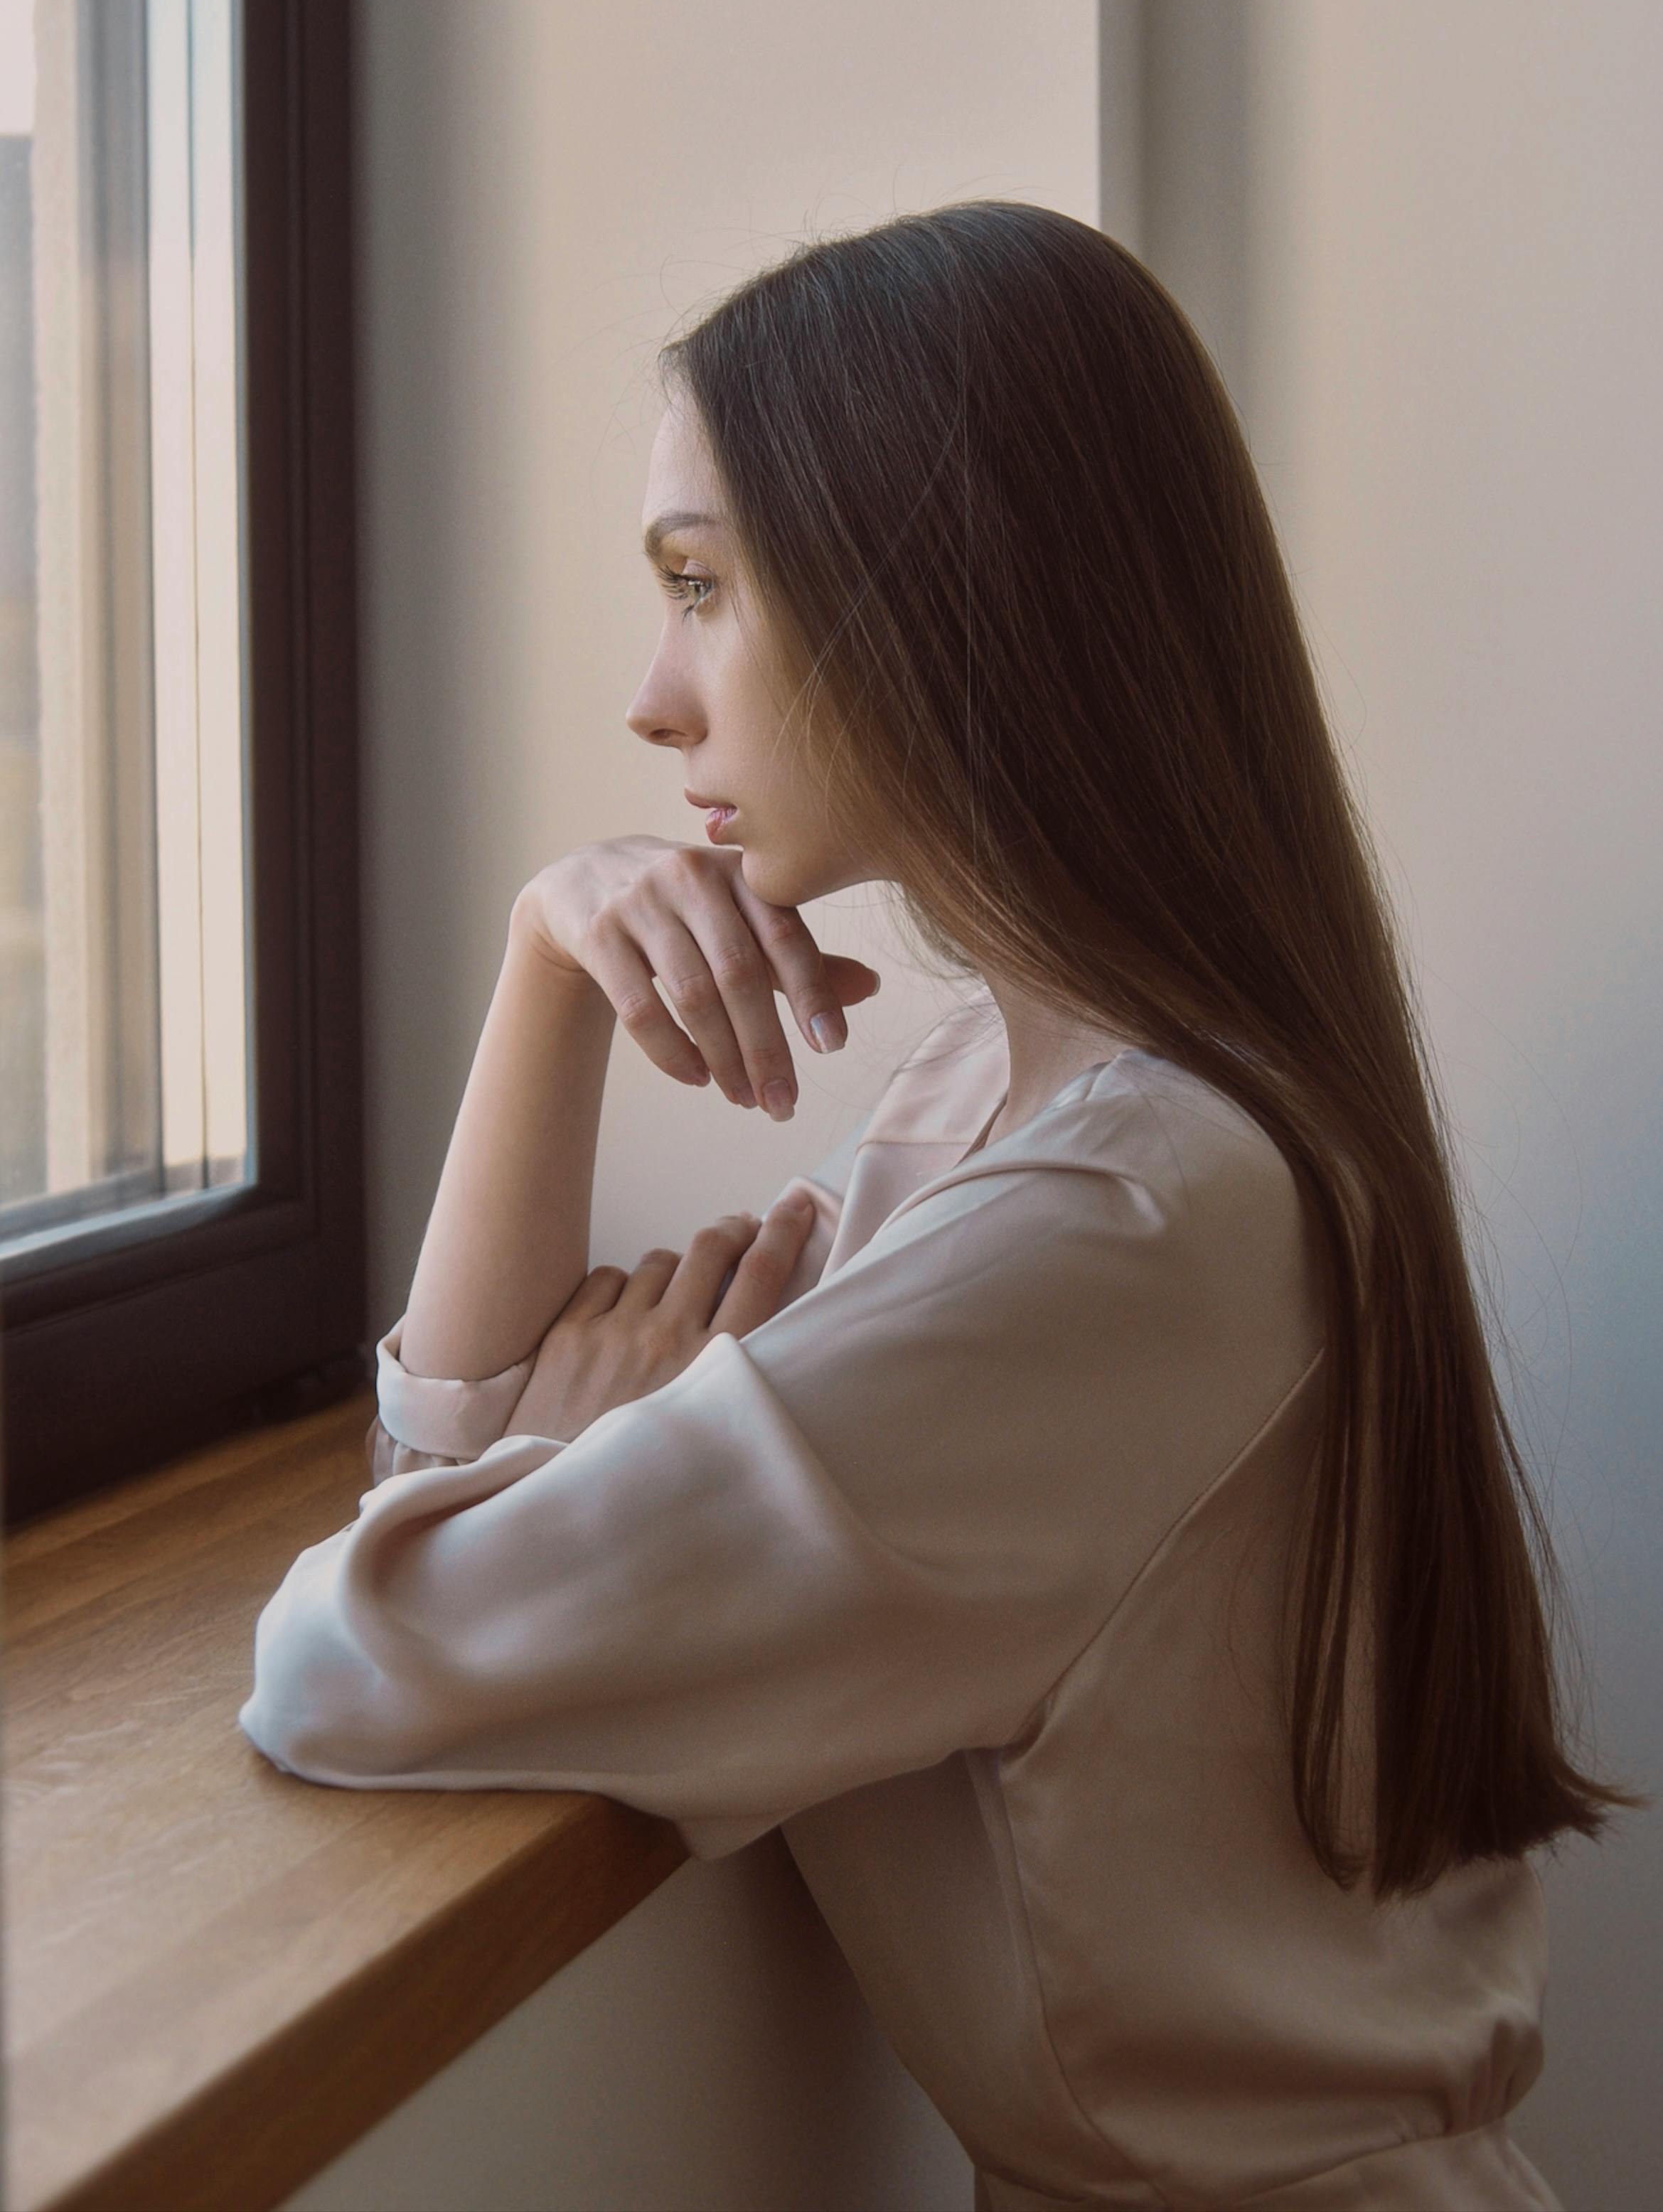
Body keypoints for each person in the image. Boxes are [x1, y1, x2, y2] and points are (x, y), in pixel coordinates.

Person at [240, 202, 1625, 2210]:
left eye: (702, 586)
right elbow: (453, 1452)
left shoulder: (1121, 1226)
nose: (651, 698)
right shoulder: (1017, 1103)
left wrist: (594, 1451)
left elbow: (359, 1660)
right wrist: (549, 968)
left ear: (946, 589)